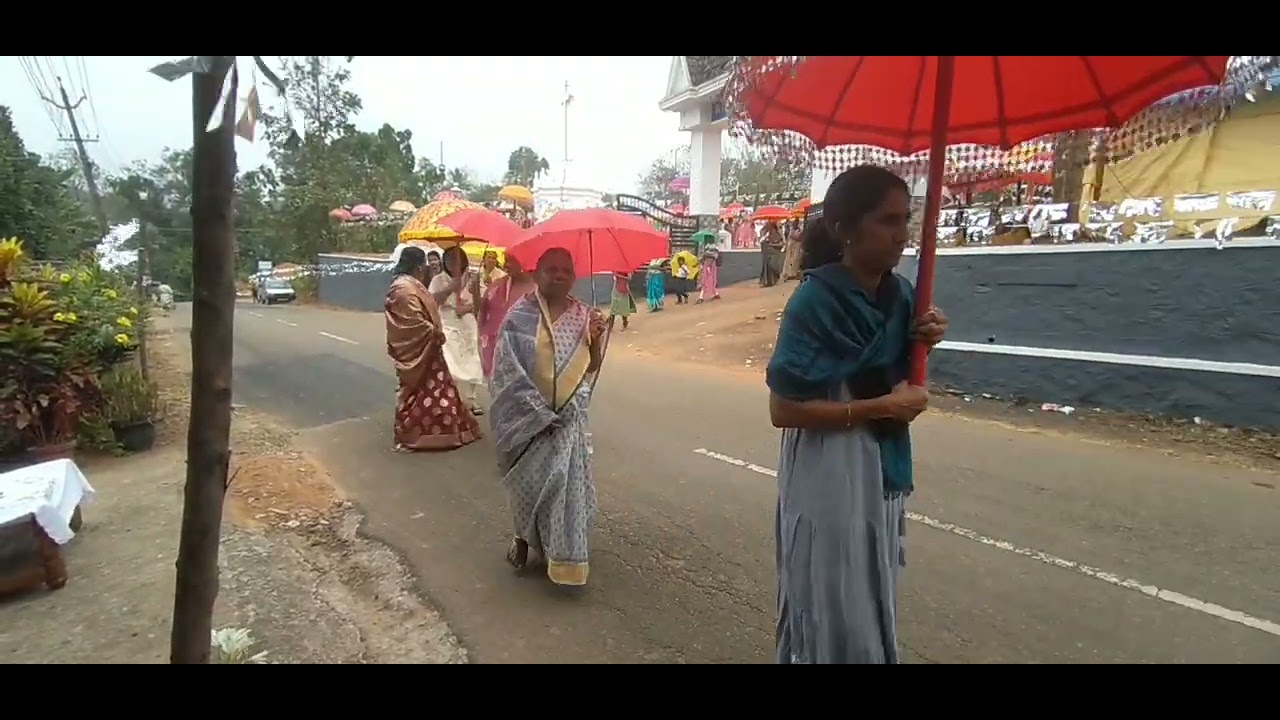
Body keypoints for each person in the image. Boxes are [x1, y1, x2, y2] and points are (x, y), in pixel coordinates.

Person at [765, 165, 948, 664]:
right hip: (828, 464)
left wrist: (924, 341)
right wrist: (881, 407)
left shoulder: (902, 297)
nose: (902, 234)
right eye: (887, 220)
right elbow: (783, 409)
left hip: (879, 463)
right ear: (845, 228)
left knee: (871, 594)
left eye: (906, 219)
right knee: (831, 600)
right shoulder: (815, 301)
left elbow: (894, 375)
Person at [490, 247, 606, 586]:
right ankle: (524, 537)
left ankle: (566, 559)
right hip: (529, 421)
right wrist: (535, 413)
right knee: (528, 488)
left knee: (565, 490)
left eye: (566, 270)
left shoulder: (584, 315)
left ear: (574, 276)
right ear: (537, 273)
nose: (559, 275)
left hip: (569, 420)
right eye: (551, 269)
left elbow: (592, 365)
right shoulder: (520, 316)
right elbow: (505, 371)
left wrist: (596, 339)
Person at [383, 246, 483, 452]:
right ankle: (415, 435)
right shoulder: (404, 289)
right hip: (422, 349)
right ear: (419, 267)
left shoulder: (411, 285)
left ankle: (443, 431)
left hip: (433, 345)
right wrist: (435, 333)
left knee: (441, 391)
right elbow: (414, 323)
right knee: (421, 393)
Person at [428, 246, 486, 415]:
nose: (452, 262)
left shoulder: (472, 278)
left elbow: (480, 304)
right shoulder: (439, 279)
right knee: (449, 361)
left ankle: (471, 398)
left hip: (467, 325)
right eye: (448, 258)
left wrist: (472, 296)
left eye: (456, 258)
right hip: (447, 323)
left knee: (472, 359)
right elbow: (433, 302)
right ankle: (452, 398)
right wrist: (450, 288)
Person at [759, 220, 783, 287]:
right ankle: (768, 282)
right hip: (767, 254)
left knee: (773, 267)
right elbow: (761, 241)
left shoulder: (777, 234)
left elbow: (781, 244)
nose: (767, 226)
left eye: (768, 225)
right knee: (767, 268)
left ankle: (772, 281)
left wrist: (772, 245)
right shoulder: (766, 234)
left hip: (774, 254)